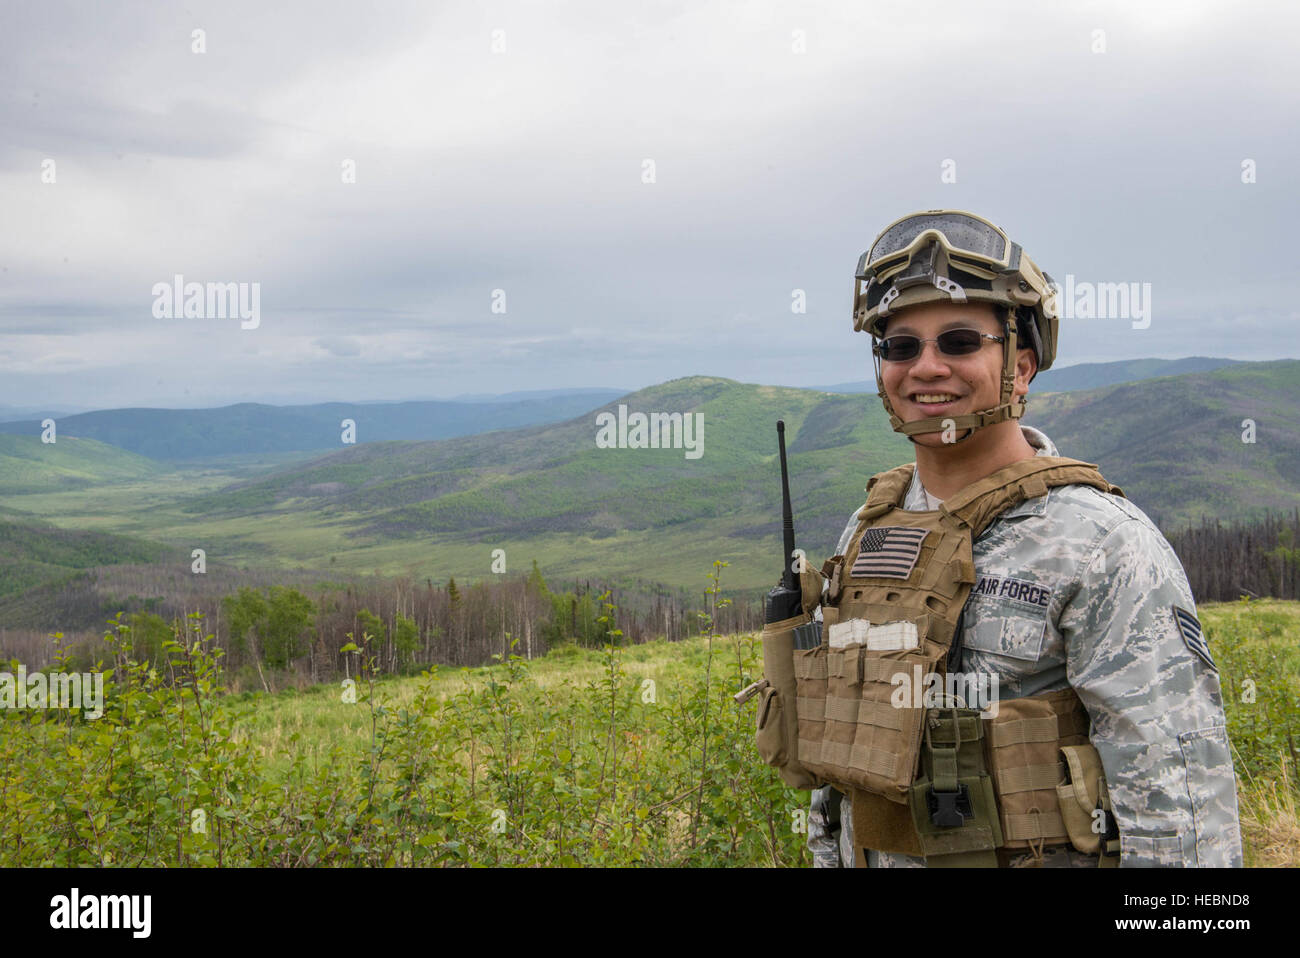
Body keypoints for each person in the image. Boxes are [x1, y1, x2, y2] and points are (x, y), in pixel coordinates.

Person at [802, 210, 1242, 868]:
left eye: (957, 342)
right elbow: (841, 775)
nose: (925, 368)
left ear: (1021, 365)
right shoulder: (871, 530)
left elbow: (1181, 808)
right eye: (900, 347)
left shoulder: (1102, 544)